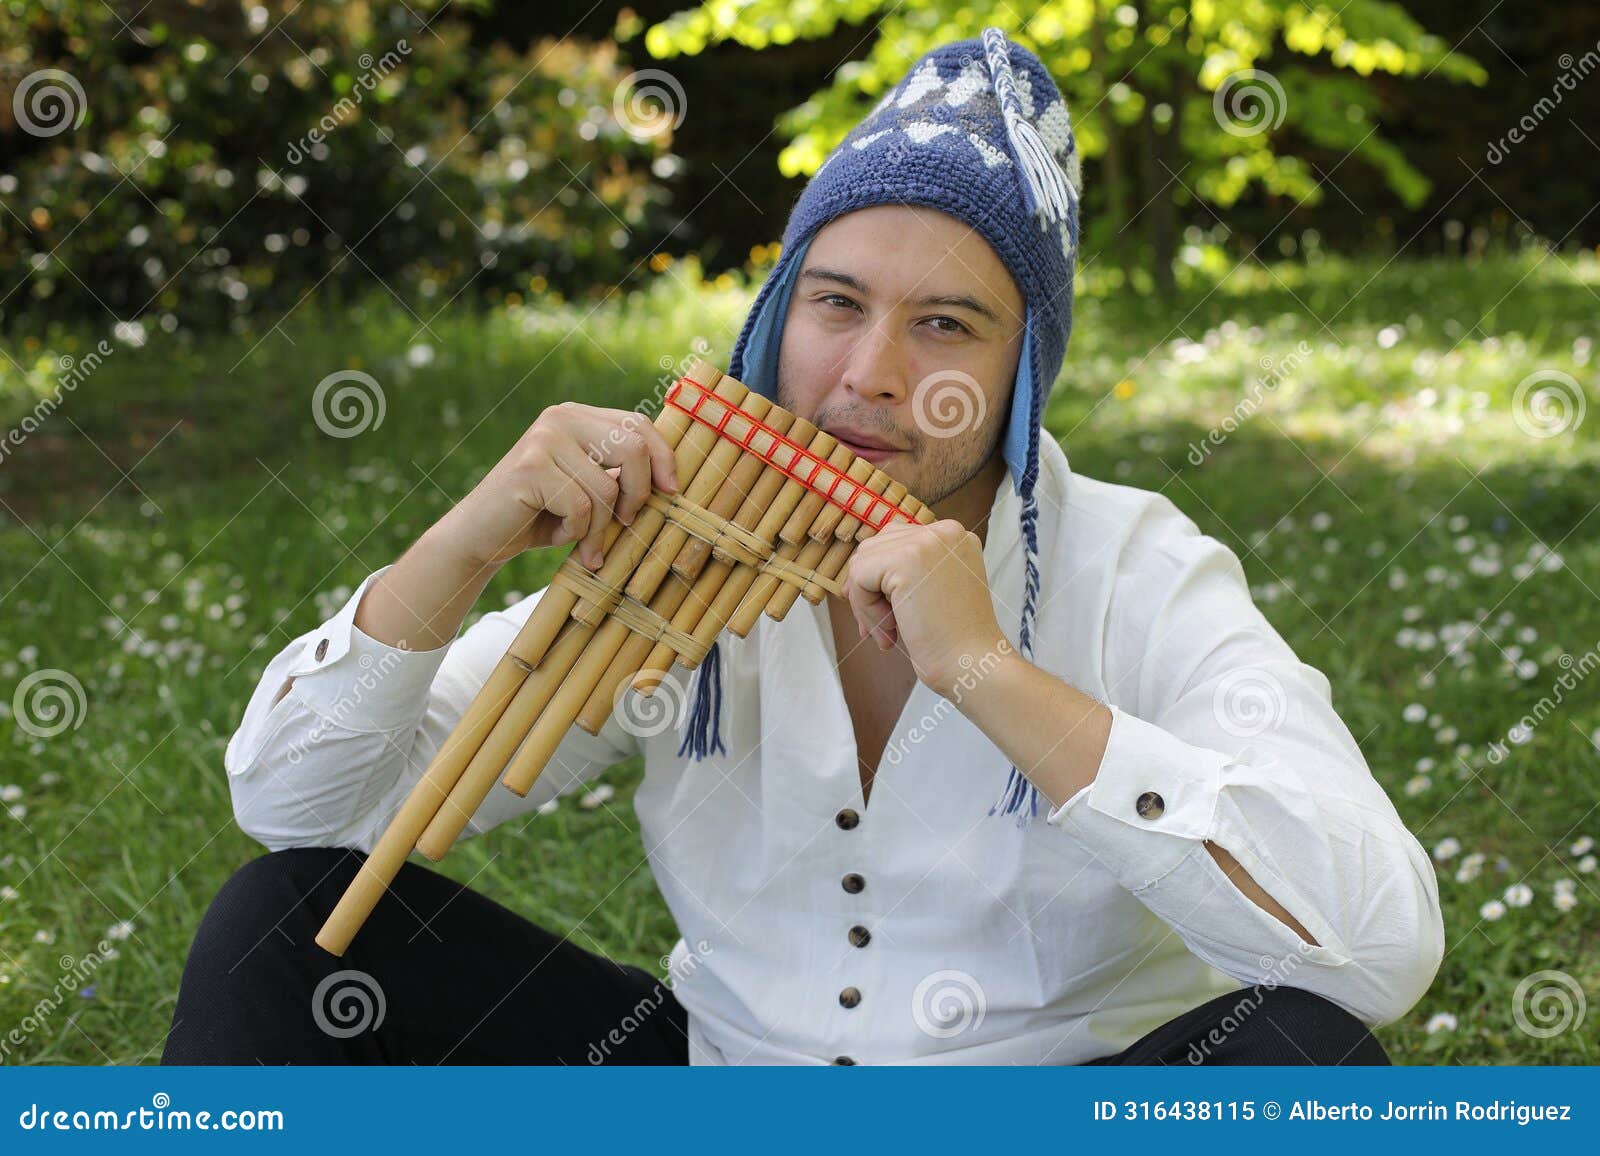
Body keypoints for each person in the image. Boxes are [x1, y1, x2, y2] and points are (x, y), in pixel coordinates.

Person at [163, 28, 1441, 1066]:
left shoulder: (1138, 570)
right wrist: (459, 547)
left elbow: (1376, 949)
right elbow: (299, 810)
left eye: (945, 325)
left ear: (1024, 374)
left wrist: (988, 673)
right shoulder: (687, 545)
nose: (869, 374)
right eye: (835, 303)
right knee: (285, 928)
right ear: (777, 317)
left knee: (1300, 1058)